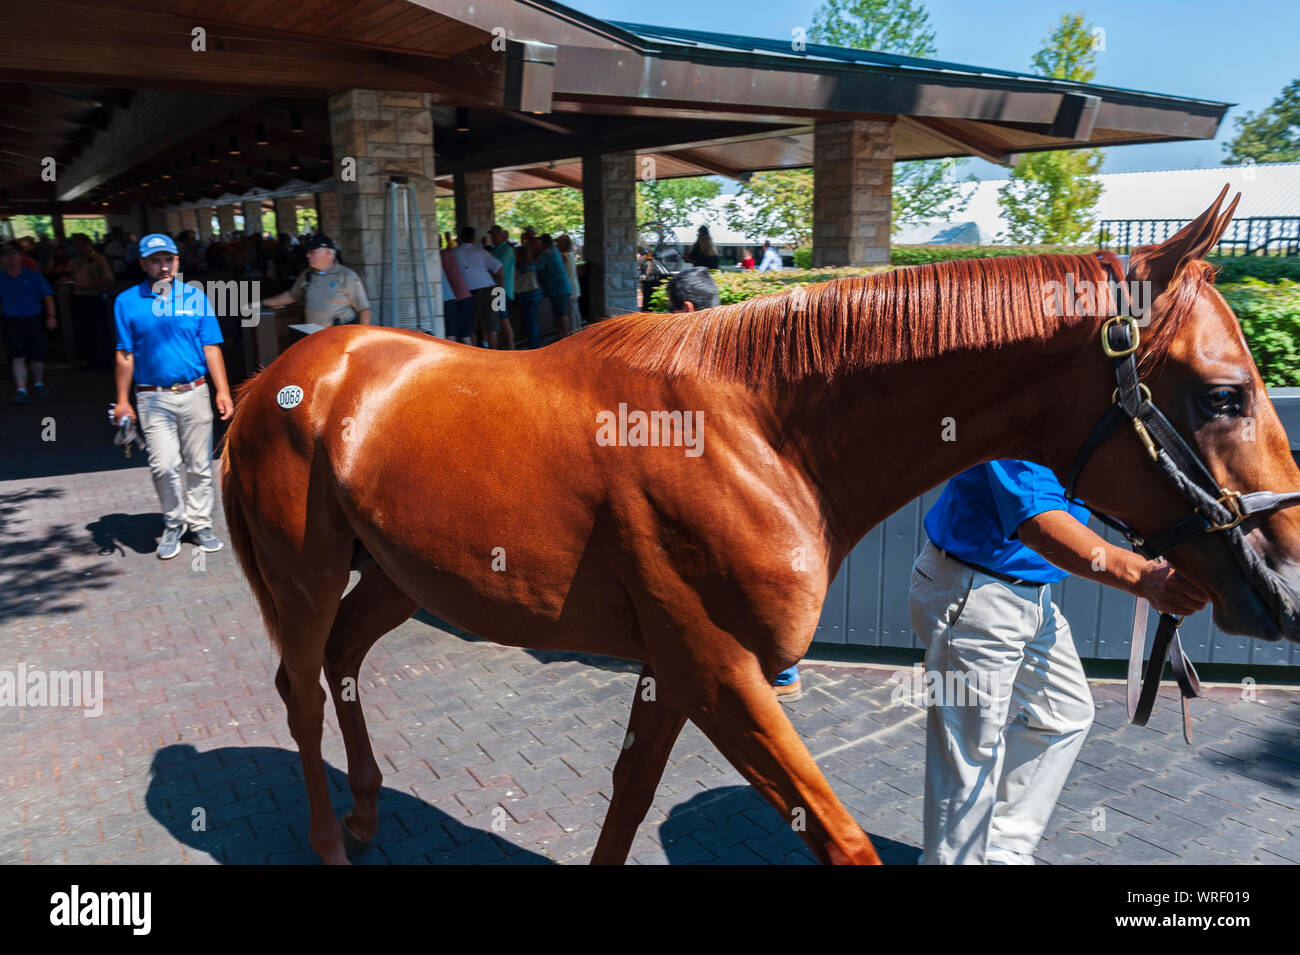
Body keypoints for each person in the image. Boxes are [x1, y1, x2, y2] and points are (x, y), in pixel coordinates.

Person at [909, 460, 1211, 865]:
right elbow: (1038, 522)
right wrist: (1144, 578)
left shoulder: (1082, 411)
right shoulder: (1023, 407)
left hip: (1029, 595)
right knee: (969, 752)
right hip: (974, 592)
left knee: (1064, 713)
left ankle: (1001, 847)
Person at [112, 234, 234, 560]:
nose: (163, 266)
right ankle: (173, 521)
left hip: (194, 391)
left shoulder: (195, 297)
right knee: (164, 466)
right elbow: (124, 354)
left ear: (178, 261)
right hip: (152, 398)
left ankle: (200, 522)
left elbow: (211, 347)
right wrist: (123, 401)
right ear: (142, 264)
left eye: (168, 259)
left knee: (199, 465)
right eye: (155, 260)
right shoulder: (127, 302)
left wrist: (222, 390)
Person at [259, 234, 371, 326]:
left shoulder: (347, 276)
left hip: (339, 338)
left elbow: (364, 309)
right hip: (313, 338)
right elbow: (292, 296)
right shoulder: (307, 275)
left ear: (328, 252)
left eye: (312, 252)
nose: (307, 255)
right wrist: (262, 303)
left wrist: (362, 339)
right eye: (307, 252)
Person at [0, 244, 57, 405]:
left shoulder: (34, 276)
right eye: (7, 256)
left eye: (14, 255)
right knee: (17, 356)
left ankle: (38, 383)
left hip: (33, 320)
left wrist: (51, 316)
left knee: (36, 355)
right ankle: (21, 389)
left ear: (20, 257)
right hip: (11, 322)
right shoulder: (1, 278)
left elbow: (47, 297)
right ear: (3, 259)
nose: (11, 259)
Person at [450, 226, 505, 347]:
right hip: (492, 290)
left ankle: (477, 358)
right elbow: (499, 268)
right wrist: (500, 290)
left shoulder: (453, 253)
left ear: (460, 237)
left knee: (471, 328)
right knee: (493, 327)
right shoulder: (481, 252)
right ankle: (495, 356)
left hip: (470, 294)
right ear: (474, 238)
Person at [68, 233, 115, 369]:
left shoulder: (98, 259)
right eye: (76, 247)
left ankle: (106, 360)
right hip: (80, 298)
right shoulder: (75, 261)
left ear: (89, 245)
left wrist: (88, 285)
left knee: (101, 329)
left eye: (81, 246)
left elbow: (108, 279)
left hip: (96, 297)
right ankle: (92, 360)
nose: (79, 249)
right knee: (86, 330)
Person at [534, 234, 572, 338]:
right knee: (560, 314)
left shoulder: (547, 253)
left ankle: (566, 337)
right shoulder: (555, 250)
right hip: (561, 288)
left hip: (558, 289)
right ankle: (562, 336)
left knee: (561, 314)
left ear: (542, 243)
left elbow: (536, 267)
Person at [487, 225, 516, 350]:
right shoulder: (496, 249)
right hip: (497, 289)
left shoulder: (506, 250)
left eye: (495, 235)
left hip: (500, 290)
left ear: (502, 235)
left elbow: (496, 269)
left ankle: (511, 348)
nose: (492, 237)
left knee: (503, 319)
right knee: (500, 319)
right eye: (491, 235)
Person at [513, 234, 543, 348]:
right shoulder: (531, 264)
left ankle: (534, 347)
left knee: (530, 324)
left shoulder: (520, 266)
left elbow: (512, 277)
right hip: (535, 294)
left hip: (527, 296)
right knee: (532, 322)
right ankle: (534, 344)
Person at [439, 234, 471, 341]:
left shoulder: (439, 257)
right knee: (466, 333)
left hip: (456, 298)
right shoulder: (448, 254)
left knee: (452, 334)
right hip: (465, 295)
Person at [556, 234, 581, 332]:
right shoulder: (571, 254)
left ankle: (574, 335)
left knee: (571, 314)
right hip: (575, 286)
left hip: (569, 288)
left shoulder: (563, 256)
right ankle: (578, 332)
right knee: (575, 312)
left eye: (558, 243)